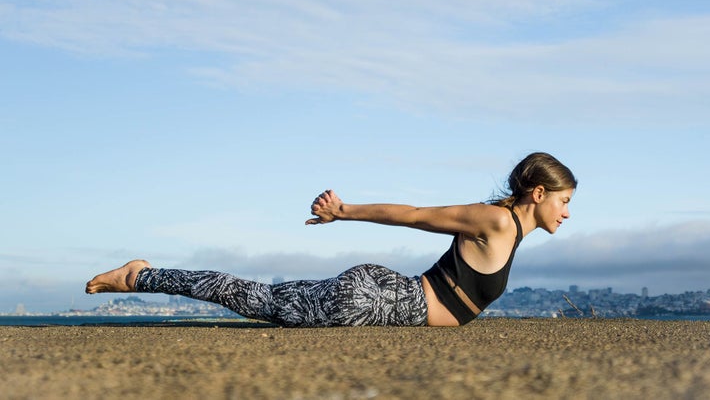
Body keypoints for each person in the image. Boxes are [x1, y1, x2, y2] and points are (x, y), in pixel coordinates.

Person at [86, 152, 576, 327]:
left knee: (263, 298)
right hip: (373, 301)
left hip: (381, 297)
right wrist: (343, 211)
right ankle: (140, 274)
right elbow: (417, 216)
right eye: (564, 201)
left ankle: (143, 273)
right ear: (538, 193)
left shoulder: (510, 229)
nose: (567, 212)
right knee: (257, 300)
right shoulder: (496, 221)